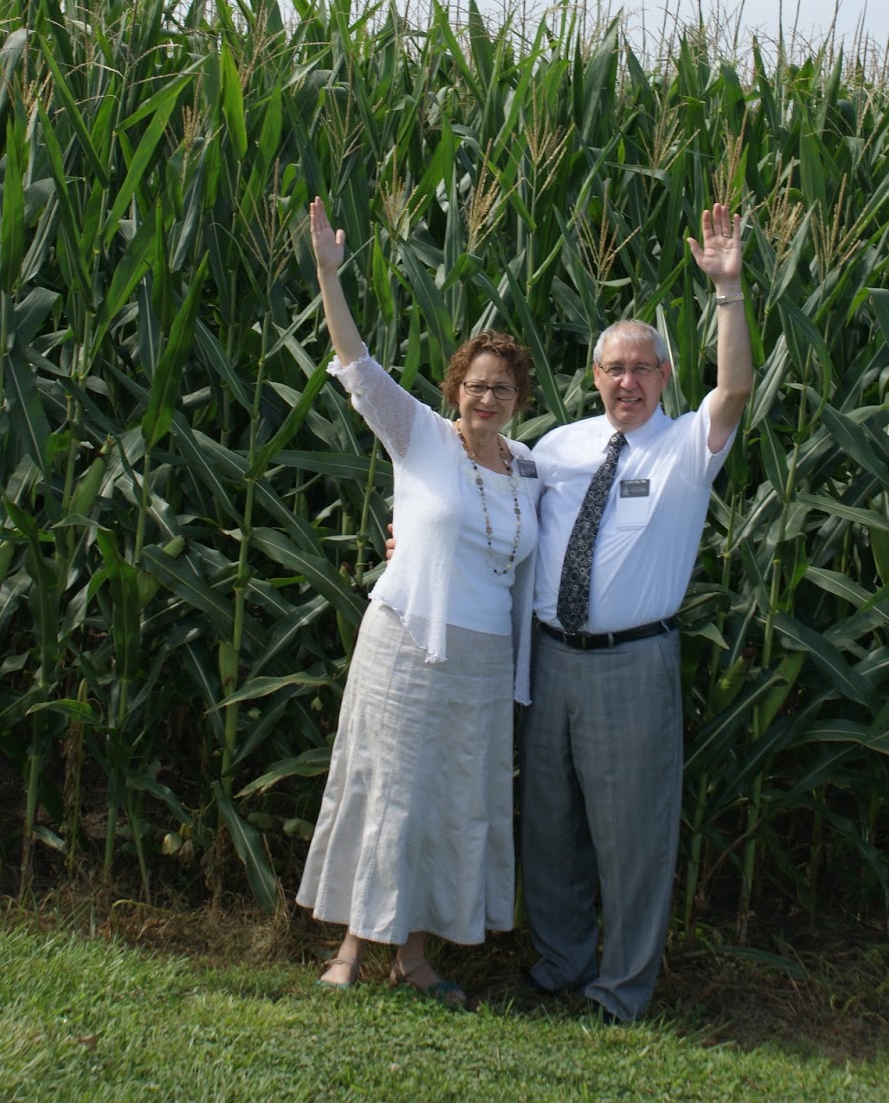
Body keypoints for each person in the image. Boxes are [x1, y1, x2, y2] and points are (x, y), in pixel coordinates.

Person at [296, 196, 541, 1005]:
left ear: (519, 398)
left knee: (449, 804)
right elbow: (355, 365)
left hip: (482, 663)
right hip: (407, 642)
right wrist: (330, 276)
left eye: (501, 388)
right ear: (455, 388)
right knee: (387, 790)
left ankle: (417, 958)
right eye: (475, 384)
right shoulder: (419, 436)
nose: (486, 398)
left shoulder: (533, 470)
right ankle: (349, 952)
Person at [519, 202, 752, 1024]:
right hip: (549, 659)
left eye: (642, 368)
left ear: (663, 377)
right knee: (548, 827)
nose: (627, 381)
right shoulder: (556, 448)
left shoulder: (687, 446)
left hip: (631, 661)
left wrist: (726, 291)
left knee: (631, 838)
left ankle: (619, 991)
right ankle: (558, 964)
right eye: (613, 368)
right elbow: (489, 508)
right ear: (594, 377)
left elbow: (737, 388)